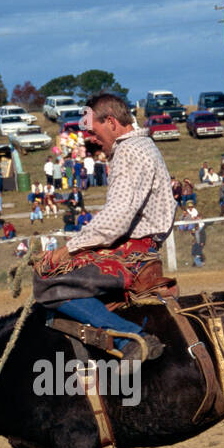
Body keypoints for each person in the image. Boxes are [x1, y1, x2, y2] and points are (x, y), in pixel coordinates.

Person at [30, 93, 173, 361]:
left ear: (110, 121)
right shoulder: (142, 146)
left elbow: (117, 219)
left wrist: (65, 252)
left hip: (131, 253)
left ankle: (130, 338)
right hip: (136, 247)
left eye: (93, 132)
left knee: (47, 281)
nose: (90, 140)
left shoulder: (129, 151)